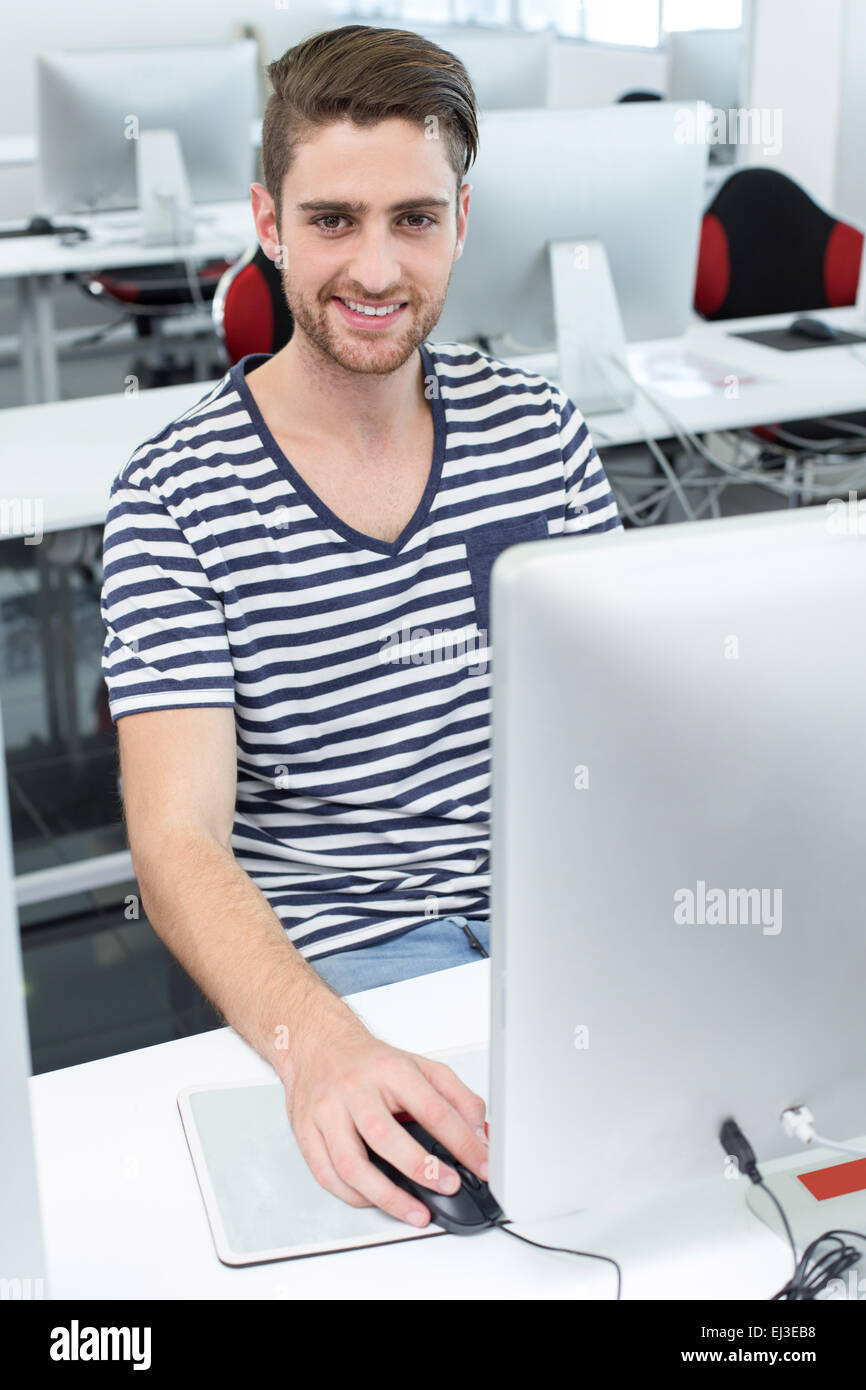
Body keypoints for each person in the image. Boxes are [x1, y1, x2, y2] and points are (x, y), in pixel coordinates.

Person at [100, 23, 622, 1228]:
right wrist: (317, 1046)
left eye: (414, 219)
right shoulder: (175, 493)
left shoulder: (538, 436)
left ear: (461, 219)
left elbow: (624, 731)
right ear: (269, 222)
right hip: (347, 964)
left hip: (556, 925)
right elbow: (176, 841)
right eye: (332, 220)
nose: (376, 270)